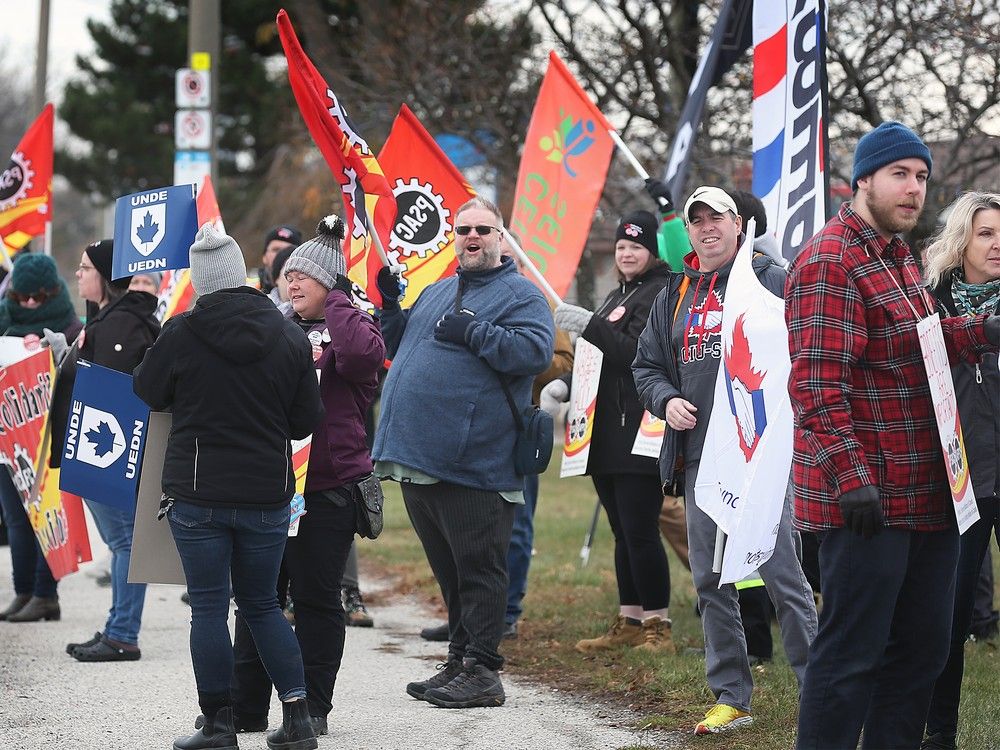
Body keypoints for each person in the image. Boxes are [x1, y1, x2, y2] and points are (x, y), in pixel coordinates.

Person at [785, 122, 1000, 750]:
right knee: (850, 658)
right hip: (867, 504)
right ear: (864, 180)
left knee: (922, 656)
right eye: (900, 174)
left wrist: (985, 331)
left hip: (930, 496)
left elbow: (926, 342)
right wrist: (850, 481)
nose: (914, 189)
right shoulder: (832, 260)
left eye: (923, 176)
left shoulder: (898, 257)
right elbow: (818, 388)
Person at [632, 185, 817, 735]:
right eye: (698, 220)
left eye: (719, 218)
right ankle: (732, 696)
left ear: (740, 225)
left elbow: (807, 347)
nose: (708, 227)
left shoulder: (772, 279)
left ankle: (820, 690)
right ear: (688, 231)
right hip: (701, 465)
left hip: (761, 460)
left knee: (783, 577)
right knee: (712, 582)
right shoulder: (675, 293)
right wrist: (667, 400)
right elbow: (646, 366)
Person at [133, 223, 321, 750]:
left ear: (199, 281)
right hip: (266, 491)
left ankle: (218, 726)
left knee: (210, 609)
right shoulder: (287, 334)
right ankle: (299, 718)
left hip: (197, 494)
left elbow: (146, 390)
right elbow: (306, 420)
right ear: (242, 275)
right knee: (262, 604)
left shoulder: (181, 332)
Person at [373, 196, 553, 708]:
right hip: (421, 457)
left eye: (483, 229)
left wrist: (475, 330)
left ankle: (484, 670)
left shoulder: (522, 296)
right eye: (463, 229)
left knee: (479, 567)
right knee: (450, 570)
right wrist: (390, 306)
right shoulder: (437, 290)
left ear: (501, 238)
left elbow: (535, 352)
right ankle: (459, 659)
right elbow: (398, 348)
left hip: (476, 460)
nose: (472, 237)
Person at [230, 216, 384, 735]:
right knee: (258, 600)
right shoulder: (275, 325)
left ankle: (314, 706)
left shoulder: (355, 325)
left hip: (327, 491)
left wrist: (340, 299)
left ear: (334, 285)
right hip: (268, 490)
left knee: (317, 601)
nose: (292, 282)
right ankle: (246, 707)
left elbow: (363, 359)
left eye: (307, 277)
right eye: (288, 275)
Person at [543, 210, 676, 655]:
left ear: (651, 251)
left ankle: (660, 625)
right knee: (623, 532)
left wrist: (592, 326)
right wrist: (565, 383)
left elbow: (635, 355)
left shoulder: (659, 293)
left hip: (639, 430)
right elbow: (594, 355)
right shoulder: (617, 294)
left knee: (641, 531)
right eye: (621, 247)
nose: (626, 253)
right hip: (603, 433)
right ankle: (630, 618)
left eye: (635, 247)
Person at [920, 192, 1000, 750]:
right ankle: (938, 731)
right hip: (961, 476)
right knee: (947, 612)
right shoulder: (930, 306)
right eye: (986, 234)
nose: (997, 244)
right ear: (961, 242)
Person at [59, 239, 159, 661]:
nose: (79, 274)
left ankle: (122, 634)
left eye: (85, 268)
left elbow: (115, 392)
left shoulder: (121, 324)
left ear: (103, 275)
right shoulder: (111, 318)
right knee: (123, 541)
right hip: (98, 450)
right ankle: (117, 627)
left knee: (125, 542)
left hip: (106, 452)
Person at [0, 253, 82, 623]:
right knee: (15, 520)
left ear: (53, 293)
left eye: (38, 297)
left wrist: (61, 357)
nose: (30, 304)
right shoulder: (4, 320)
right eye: (22, 298)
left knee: (45, 517)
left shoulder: (71, 326)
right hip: (8, 437)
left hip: (48, 439)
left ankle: (46, 594)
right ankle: (23, 592)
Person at [257, 224, 302, 294]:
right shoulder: (250, 291)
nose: (281, 255)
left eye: (288, 251)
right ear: (264, 257)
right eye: (276, 250)